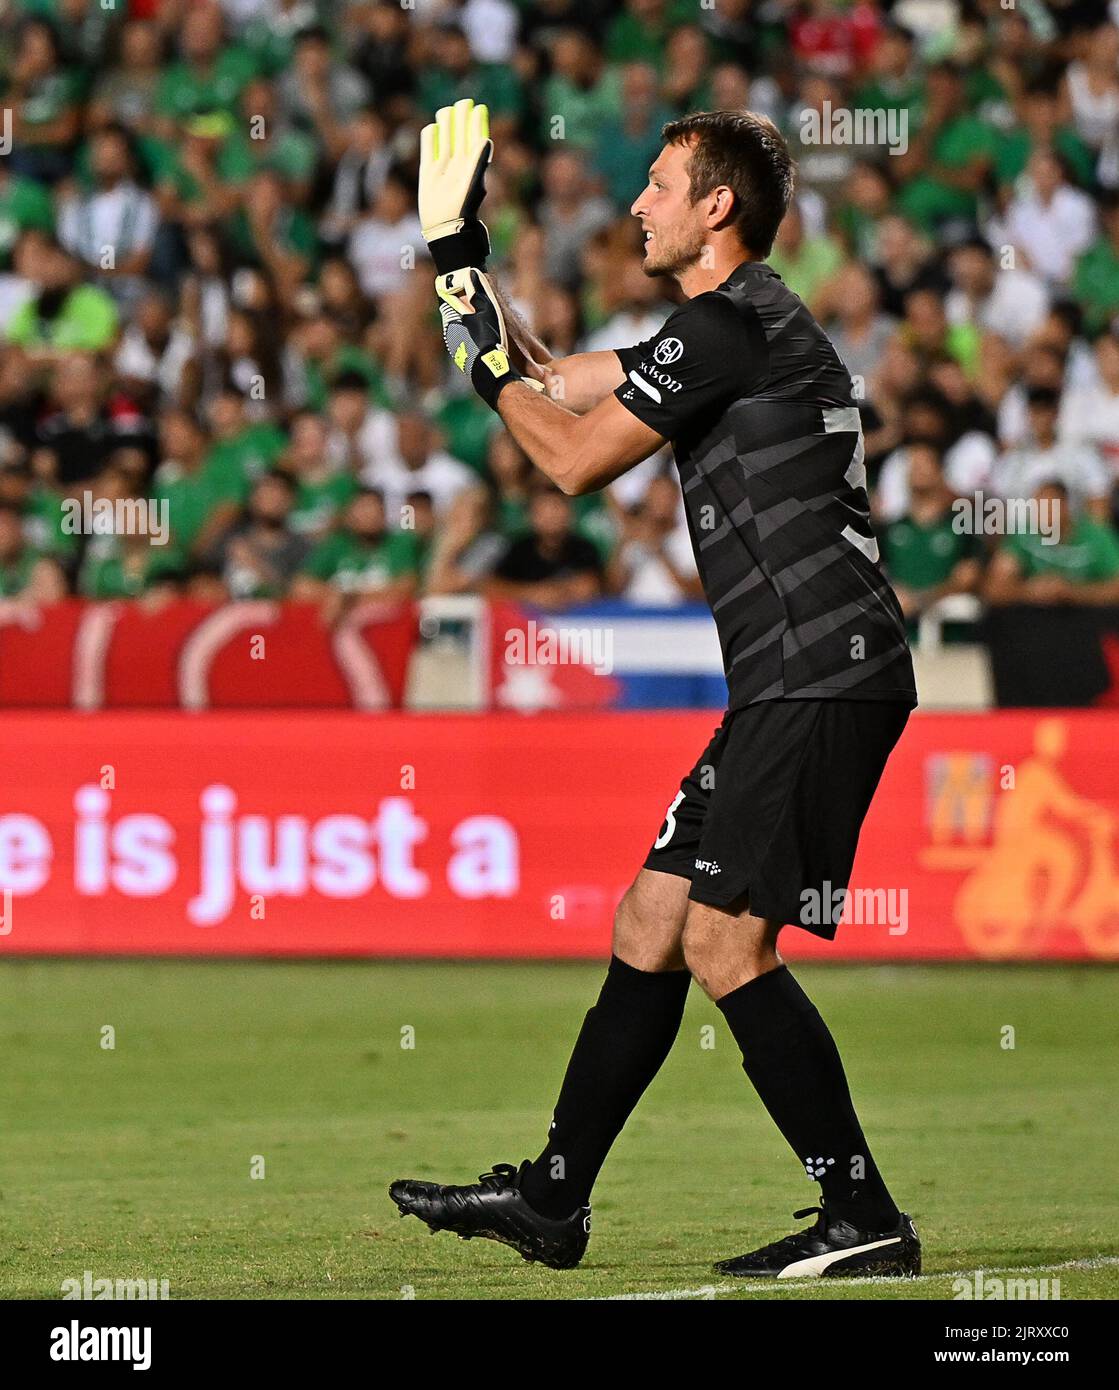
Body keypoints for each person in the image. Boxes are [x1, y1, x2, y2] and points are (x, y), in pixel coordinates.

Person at [392, 105, 920, 1280]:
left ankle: (863, 1214)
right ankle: (555, 1197)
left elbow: (570, 457)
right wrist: (457, 261)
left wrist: (484, 366)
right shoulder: (728, 332)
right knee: (652, 920)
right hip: (797, 674)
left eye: (660, 185)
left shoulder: (730, 326)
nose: (638, 203)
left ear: (715, 208)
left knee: (728, 941)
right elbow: (555, 376)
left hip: (818, 671)